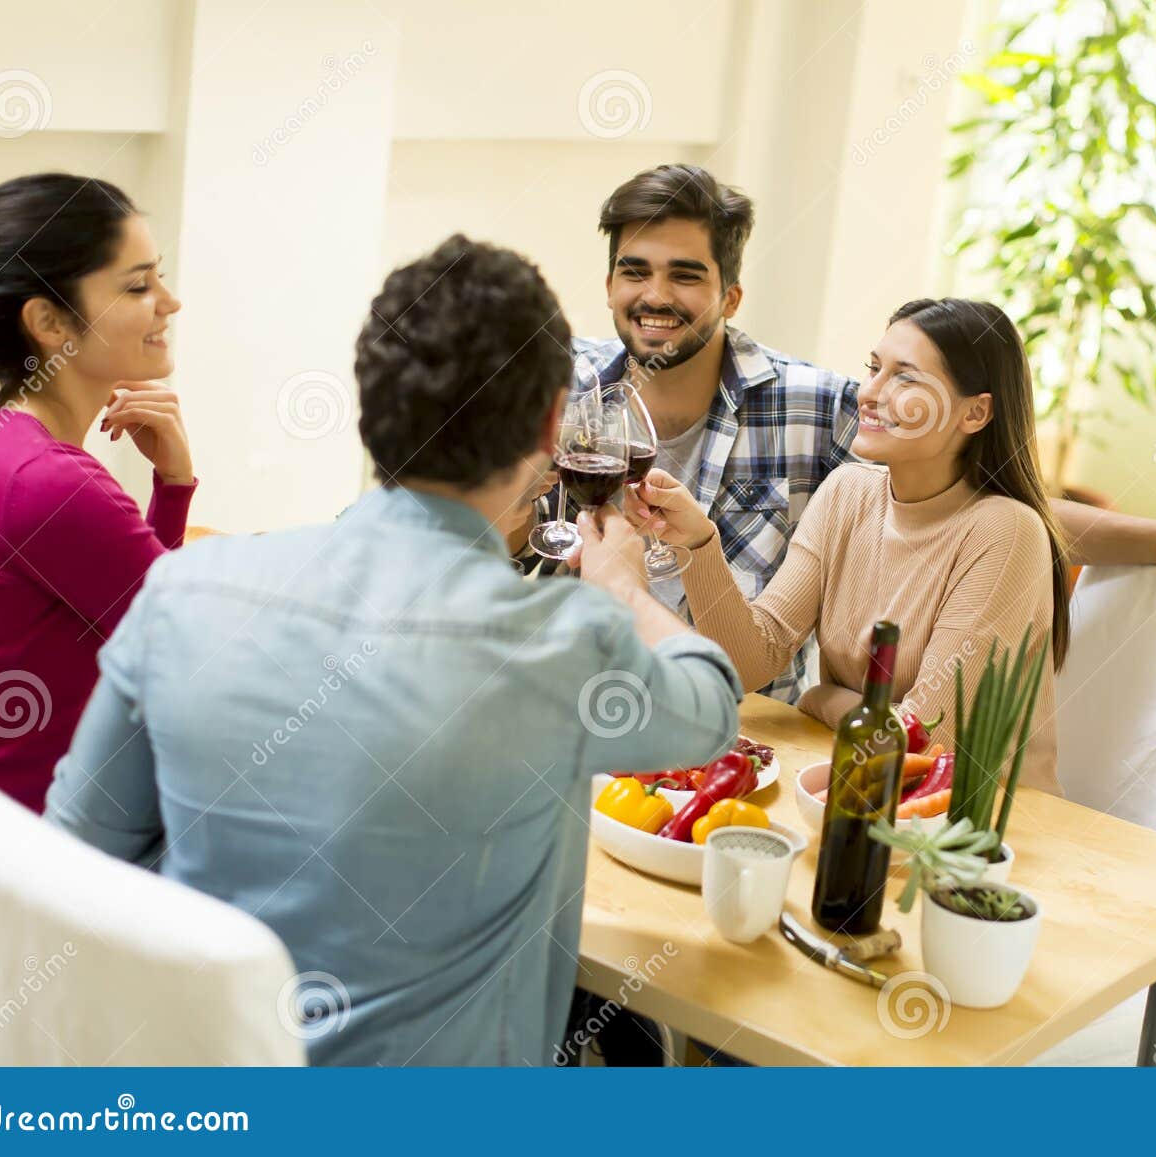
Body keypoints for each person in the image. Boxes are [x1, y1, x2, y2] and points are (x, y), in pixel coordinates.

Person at [44, 235, 743, 1066]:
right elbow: (711, 702)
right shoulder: (562, 642)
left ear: (369, 402)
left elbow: (74, 865)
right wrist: (624, 587)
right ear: (555, 423)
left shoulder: (184, 592)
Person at [526, 163, 1156, 707]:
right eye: (636, 271)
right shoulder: (562, 389)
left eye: (685, 275)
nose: (656, 296)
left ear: (729, 294)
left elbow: (985, 503)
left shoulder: (817, 406)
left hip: (736, 721)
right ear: (609, 286)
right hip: (567, 689)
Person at [633, 298, 1068, 794]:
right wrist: (698, 543)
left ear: (975, 412)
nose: (871, 393)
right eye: (874, 368)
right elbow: (752, 660)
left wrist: (822, 698)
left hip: (979, 831)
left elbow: (921, 742)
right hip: (858, 791)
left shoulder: (1005, 532)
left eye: (906, 378)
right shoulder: (848, 492)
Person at [0, 173, 196, 812]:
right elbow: (183, 654)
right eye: (138, 286)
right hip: (44, 856)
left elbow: (128, 615)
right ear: (46, 320)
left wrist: (172, 489)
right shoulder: (45, 482)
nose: (169, 303)